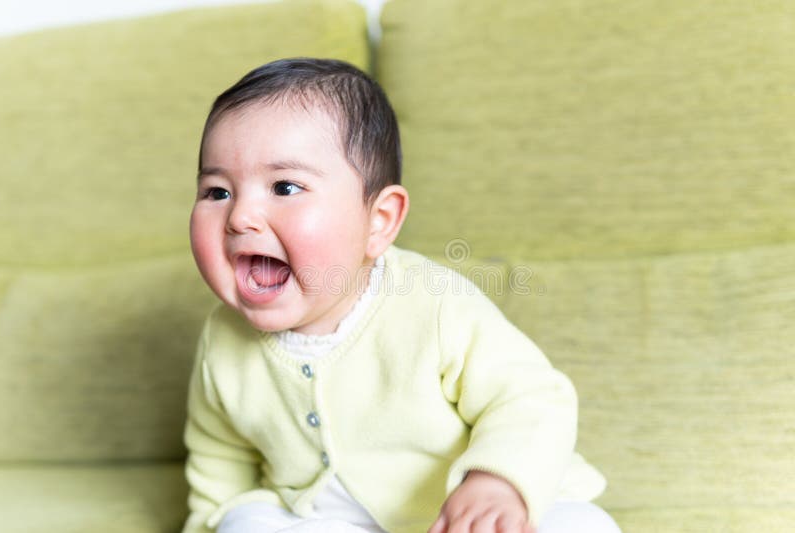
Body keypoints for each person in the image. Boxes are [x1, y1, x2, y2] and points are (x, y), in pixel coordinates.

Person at [183, 57, 620, 533]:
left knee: (580, 524)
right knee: (246, 522)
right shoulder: (221, 340)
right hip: (326, 516)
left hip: (460, 512)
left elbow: (531, 397)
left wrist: (496, 482)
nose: (240, 216)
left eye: (284, 187)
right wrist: (214, 520)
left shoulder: (434, 308)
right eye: (217, 192)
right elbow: (217, 452)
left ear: (379, 221)